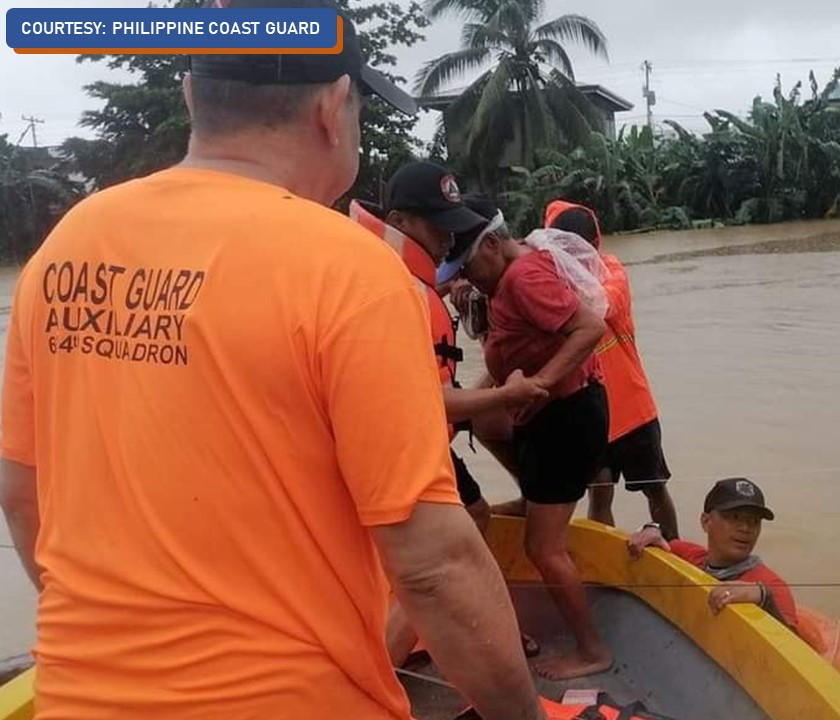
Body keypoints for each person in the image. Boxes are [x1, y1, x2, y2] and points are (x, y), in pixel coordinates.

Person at [0, 2, 543, 718]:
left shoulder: (67, 248)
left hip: (83, 697)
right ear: (334, 106)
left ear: (193, 94)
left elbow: (21, 490)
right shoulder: (349, 270)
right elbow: (434, 563)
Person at [436, 203, 614, 680]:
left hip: (568, 416)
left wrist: (540, 383)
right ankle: (533, 495)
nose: (468, 277)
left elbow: (590, 328)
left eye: (469, 265)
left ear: (492, 245)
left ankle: (593, 650)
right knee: (489, 423)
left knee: (543, 548)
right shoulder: (502, 280)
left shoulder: (521, 277)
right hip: (546, 412)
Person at [352, 164, 548, 530]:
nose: (449, 239)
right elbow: (430, 402)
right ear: (399, 221)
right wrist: (507, 395)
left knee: (474, 512)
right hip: (399, 448)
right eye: (438, 226)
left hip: (418, 441)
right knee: (468, 519)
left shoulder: (393, 277)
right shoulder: (391, 294)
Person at [627, 478, 840, 685]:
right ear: (706, 522)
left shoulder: (770, 585)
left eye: (753, 521)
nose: (745, 528)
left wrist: (763, 599)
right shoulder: (692, 556)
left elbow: (796, 660)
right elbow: (665, 540)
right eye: (734, 517)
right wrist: (652, 527)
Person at [544, 201, 680, 539]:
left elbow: (600, 304)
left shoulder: (611, 271)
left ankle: (676, 550)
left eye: (582, 247)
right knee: (600, 490)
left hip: (633, 409)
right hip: (590, 410)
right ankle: (606, 569)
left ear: (596, 244)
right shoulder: (547, 280)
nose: (576, 256)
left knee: (655, 488)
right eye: (567, 249)